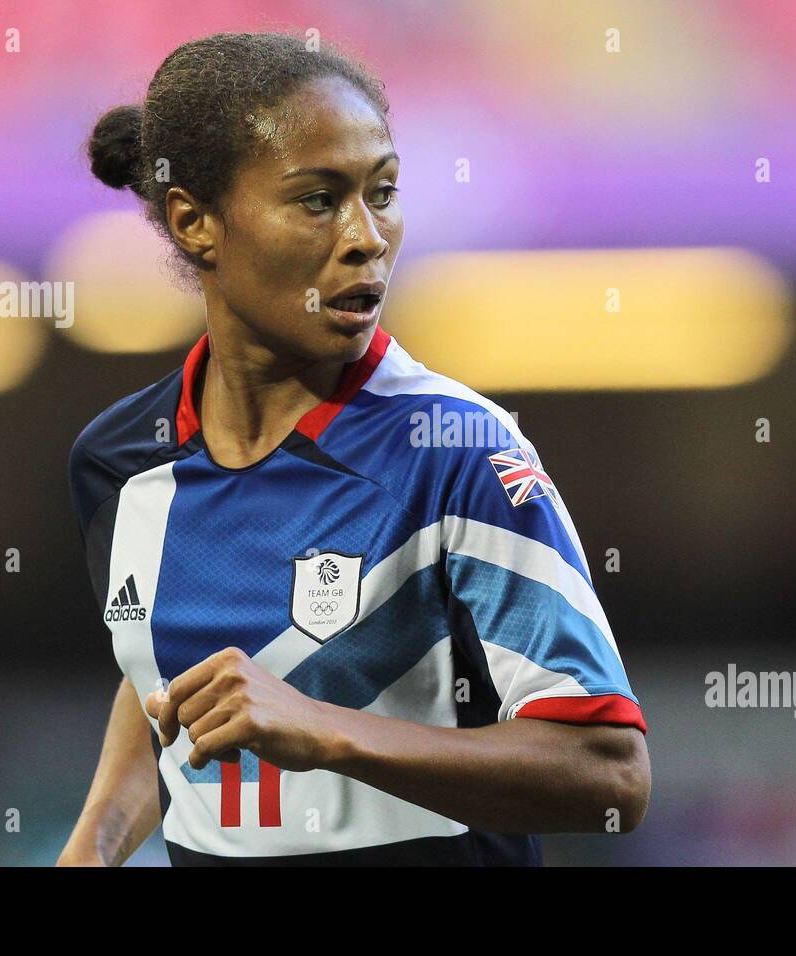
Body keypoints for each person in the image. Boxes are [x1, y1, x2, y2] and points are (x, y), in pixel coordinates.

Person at [59, 32, 649, 867]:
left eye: (383, 192)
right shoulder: (119, 462)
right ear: (195, 222)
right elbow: (157, 672)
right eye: (318, 199)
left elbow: (611, 775)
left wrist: (327, 731)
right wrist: (90, 851)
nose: (367, 236)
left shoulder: (455, 451)